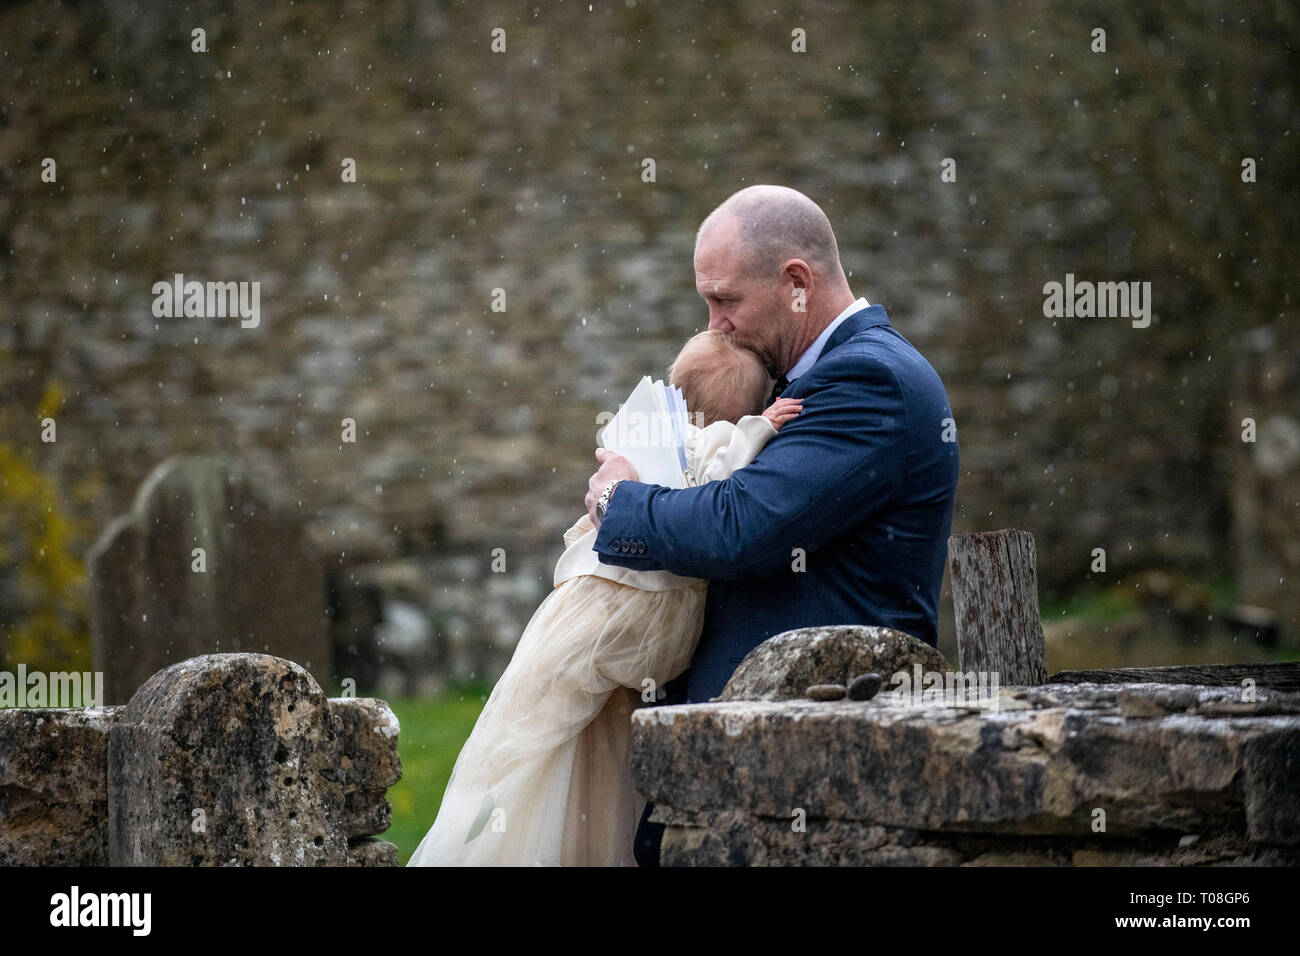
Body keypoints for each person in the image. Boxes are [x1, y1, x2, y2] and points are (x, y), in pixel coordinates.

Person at [584, 185, 960, 866]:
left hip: (825, 787)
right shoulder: (797, 381)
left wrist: (623, 503)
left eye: (725, 300)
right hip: (759, 774)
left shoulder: (871, 382)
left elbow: (741, 526)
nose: (713, 325)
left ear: (795, 284)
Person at [407, 330, 804, 866]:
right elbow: (726, 467)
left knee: (550, 729)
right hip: (644, 608)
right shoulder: (708, 441)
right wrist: (765, 424)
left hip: (598, 598)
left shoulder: (647, 445)